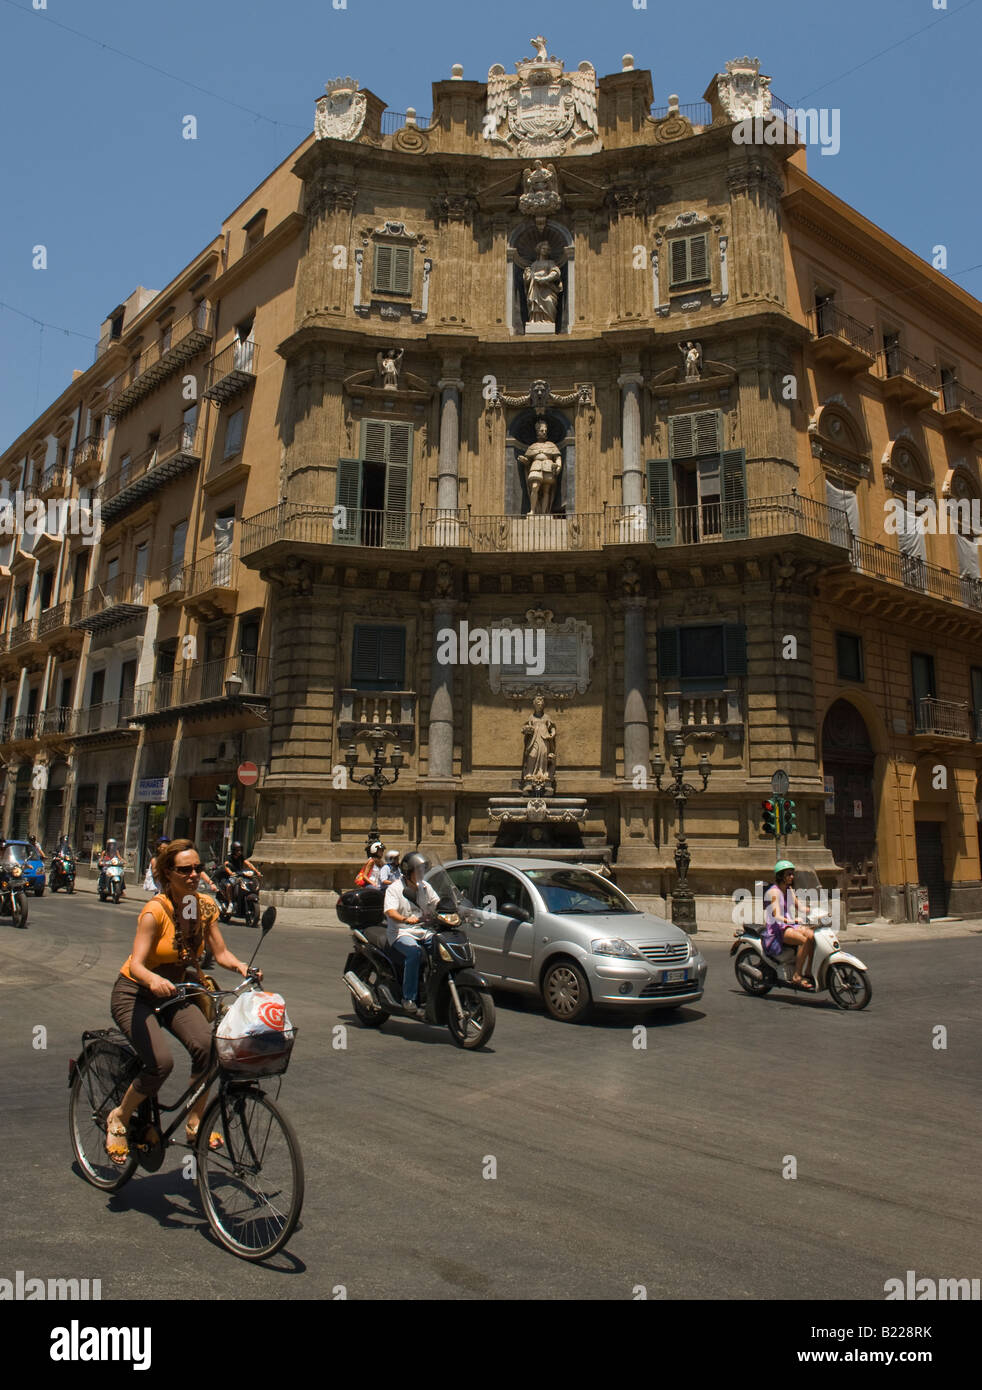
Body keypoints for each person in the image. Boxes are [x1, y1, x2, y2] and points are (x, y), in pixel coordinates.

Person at [104, 839, 259, 1165]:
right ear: (166, 873)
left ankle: (194, 1121)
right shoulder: (154, 911)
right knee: (161, 1063)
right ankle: (119, 1116)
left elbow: (220, 953)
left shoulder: (201, 907)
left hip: (177, 991)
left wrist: (242, 966)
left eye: (198, 868)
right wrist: (154, 979)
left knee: (208, 1048)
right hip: (136, 993)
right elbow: (136, 964)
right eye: (184, 869)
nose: (193, 875)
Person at [383, 851, 439, 1016]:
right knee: (414, 953)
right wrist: (405, 919)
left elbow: (437, 902)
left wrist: (450, 909)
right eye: (418, 870)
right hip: (401, 932)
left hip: (423, 930)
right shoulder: (395, 888)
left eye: (423, 869)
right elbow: (390, 911)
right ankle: (408, 998)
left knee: (442, 947)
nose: (422, 873)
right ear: (408, 872)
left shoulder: (425, 886)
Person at [763, 860, 816, 989]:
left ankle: (808, 970)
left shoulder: (789, 889)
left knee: (812, 935)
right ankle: (797, 975)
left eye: (792, 874)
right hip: (777, 928)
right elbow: (777, 916)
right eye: (788, 874)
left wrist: (815, 910)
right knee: (804, 941)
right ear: (781, 876)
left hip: (789, 925)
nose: (792, 877)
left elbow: (801, 907)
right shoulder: (774, 892)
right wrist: (793, 921)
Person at [221, 840, 261, 912]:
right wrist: (230, 873)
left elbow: (249, 864)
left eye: (240, 850)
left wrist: (257, 871)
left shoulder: (241, 857)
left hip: (240, 875)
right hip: (232, 876)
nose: (239, 852)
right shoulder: (229, 857)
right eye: (237, 850)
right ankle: (230, 903)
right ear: (233, 850)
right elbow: (226, 865)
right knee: (229, 885)